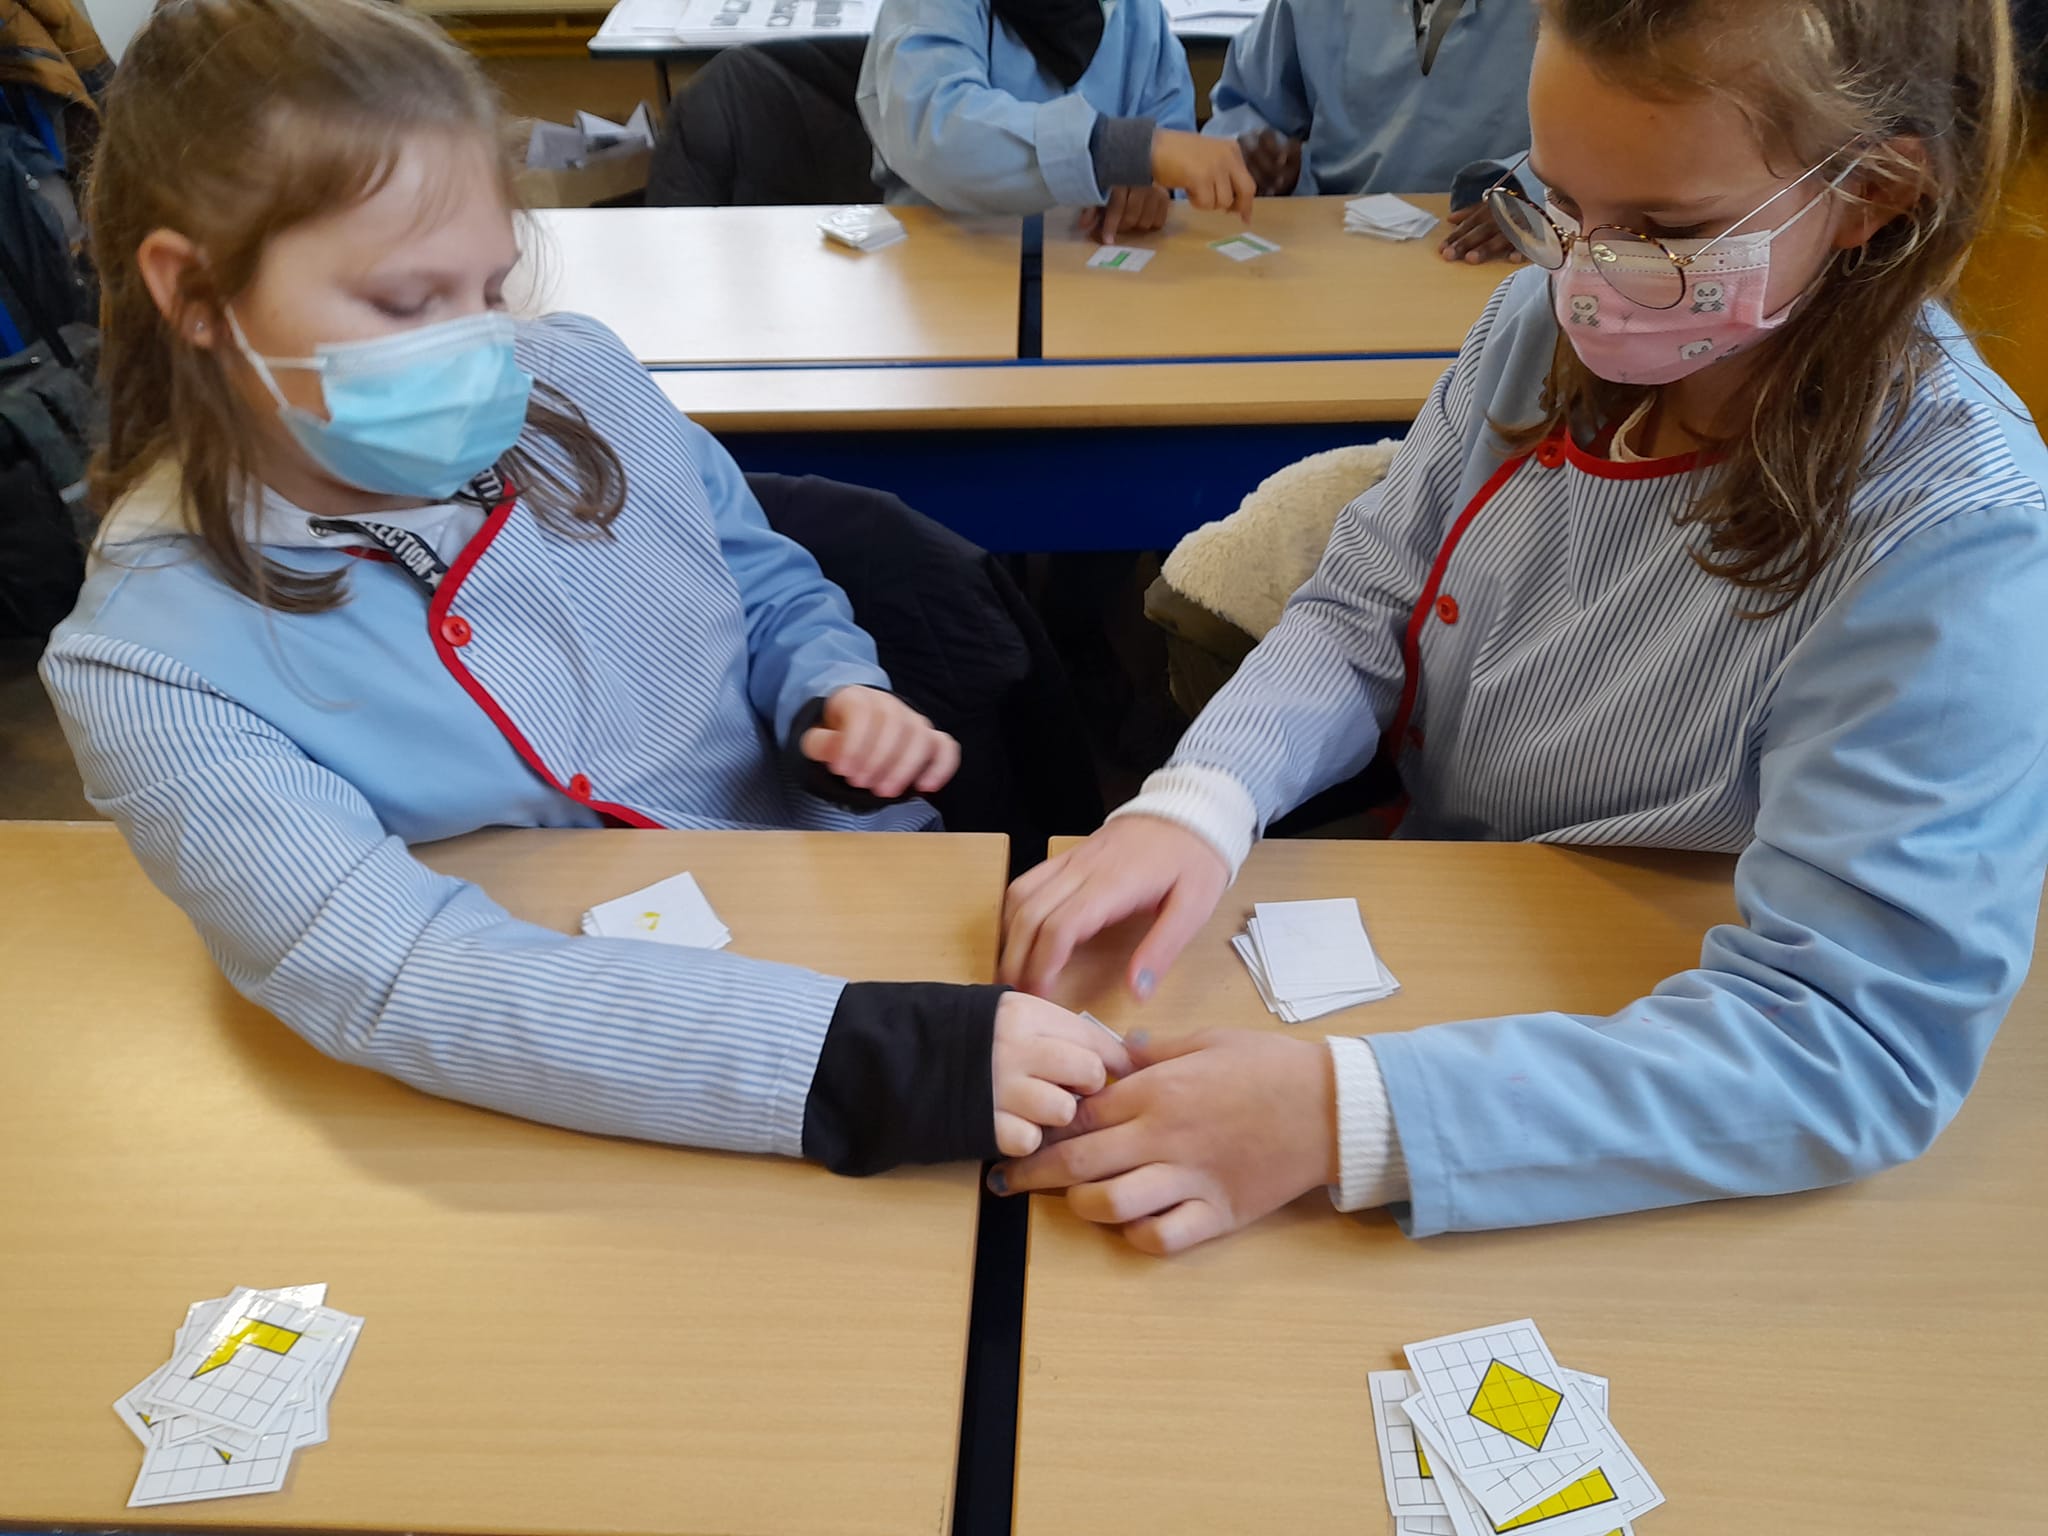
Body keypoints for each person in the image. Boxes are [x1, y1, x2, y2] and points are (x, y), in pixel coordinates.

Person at [994, 0, 2048, 1253]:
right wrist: (1199, 799)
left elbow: (1851, 1044)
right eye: (1551, 202)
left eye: (1662, 230)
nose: (1582, 275)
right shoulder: (1535, 326)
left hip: (1624, 1042)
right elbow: (1363, 597)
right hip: (1465, 902)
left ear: (1873, 191)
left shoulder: (1953, 537)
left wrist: (1346, 1118)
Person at [42, 0, 1128, 1181]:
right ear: (193, 294)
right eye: (407, 305)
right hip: (636, 1024)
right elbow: (387, 969)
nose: (480, 350)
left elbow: (757, 572)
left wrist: (826, 688)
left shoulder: (577, 378)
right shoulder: (149, 661)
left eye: (490, 287)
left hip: (856, 900)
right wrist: (860, 1058)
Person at [858, 0, 1255, 243]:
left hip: (1090, 267)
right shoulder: (931, 9)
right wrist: (1120, 149)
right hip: (954, 265)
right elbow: (935, 131)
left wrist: (1154, 193)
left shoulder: (1133, 10)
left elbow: (1169, 123)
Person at [1205, 0, 1540, 263]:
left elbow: (1592, 139)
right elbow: (1245, 108)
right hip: (1332, 253)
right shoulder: (1310, 8)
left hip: (1496, 260)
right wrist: (1254, 154)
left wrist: (1542, 198)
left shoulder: (1563, 14)